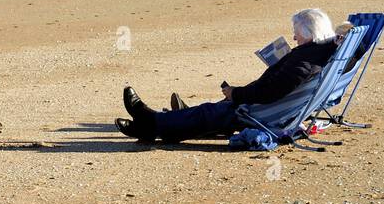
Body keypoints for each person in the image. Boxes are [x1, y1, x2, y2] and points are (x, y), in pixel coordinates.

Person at [116, 9, 338, 143]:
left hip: (265, 114)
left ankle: (149, 123)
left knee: (213, 112)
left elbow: (271, 92)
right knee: (211, 113)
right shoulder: (322, 52)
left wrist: (237, 93)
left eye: (297, 32)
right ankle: (167, 122)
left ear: (310, 33)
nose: (294, 36)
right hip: (279, 110)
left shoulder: (306, 61)